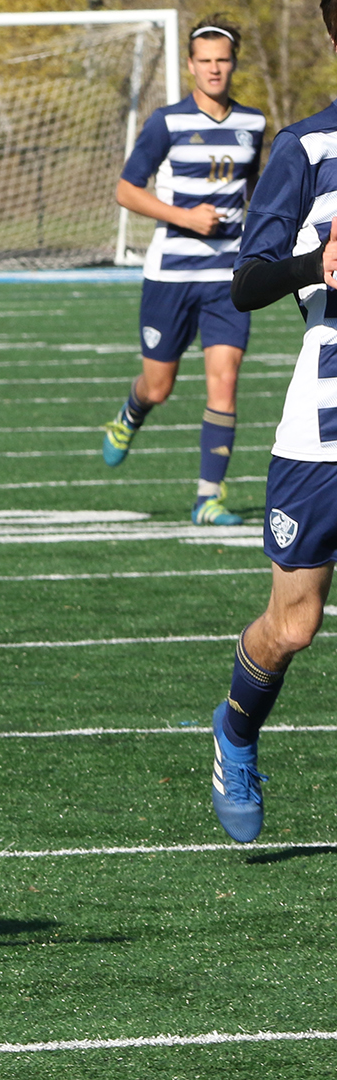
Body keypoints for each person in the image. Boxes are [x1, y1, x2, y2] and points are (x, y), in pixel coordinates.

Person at [203, 0, 337, 845]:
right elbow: (247, 285)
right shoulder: (304, 147)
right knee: (294, 624)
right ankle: (236, 732)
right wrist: (313, 263)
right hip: (323, 421)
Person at [99, 18, 264, 526]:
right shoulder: (166, 123)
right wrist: (185, 218)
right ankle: (131, 411)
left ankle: (208, 498)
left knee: (225, 379)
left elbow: (252, 192)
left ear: (232, 64)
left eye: (223, 60)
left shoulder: (254, 124)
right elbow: (127, 190)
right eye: (205, 61)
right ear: (190, 65)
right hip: (170, 276)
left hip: (225, 278)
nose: (215, 69)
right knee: (159, 386)